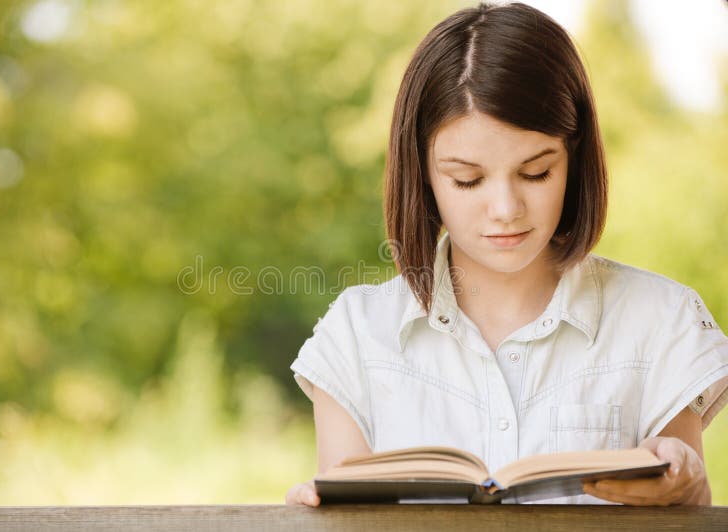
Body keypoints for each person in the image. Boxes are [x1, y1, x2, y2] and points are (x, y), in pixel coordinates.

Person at [285, 1, 728, 506]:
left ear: (576, 159)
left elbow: (688, 507)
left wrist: (689, 487)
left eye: (536, 172)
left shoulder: (661, 321)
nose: (505, 209)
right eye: (467, 180)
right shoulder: (356, 337)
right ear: (423, 174)